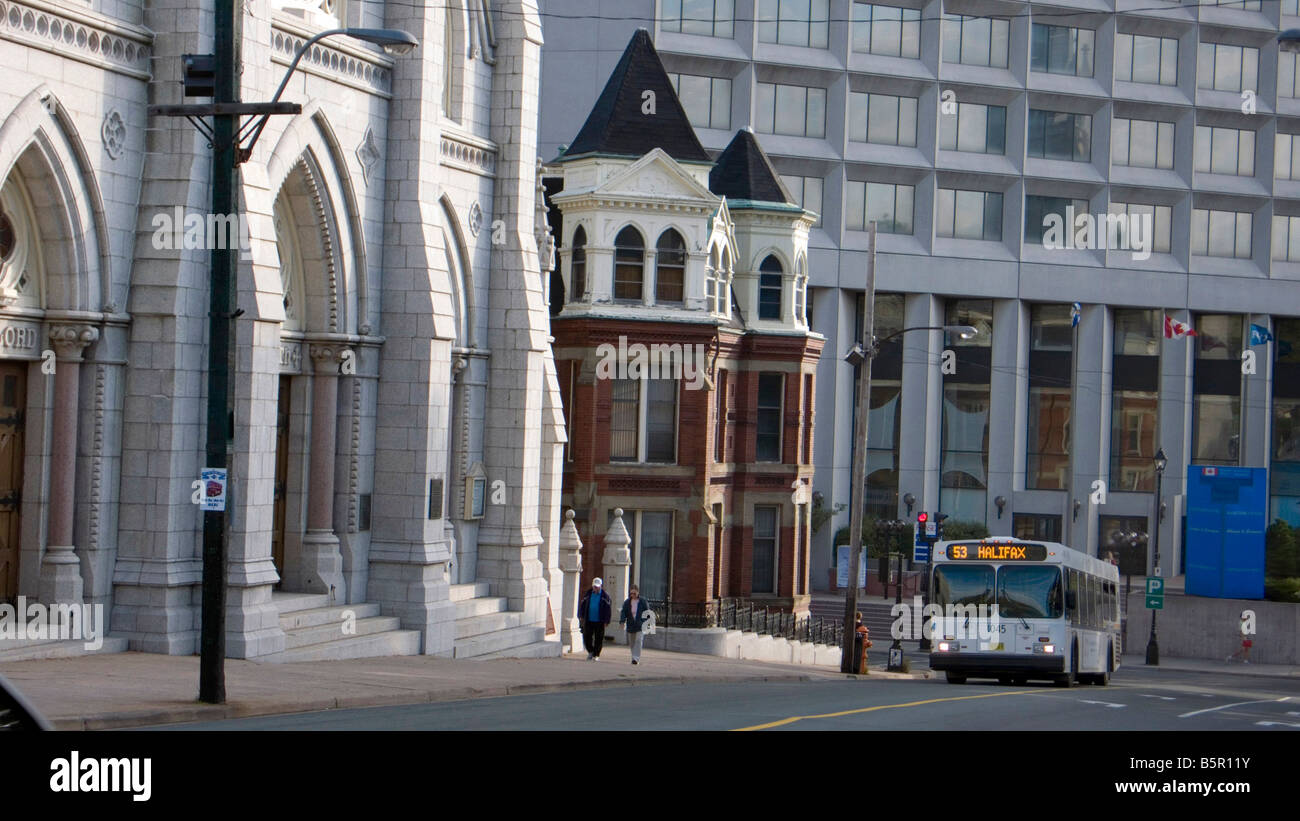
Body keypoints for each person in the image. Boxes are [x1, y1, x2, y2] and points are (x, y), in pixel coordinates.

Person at [577, 577, 612, 661]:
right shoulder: (588, 594)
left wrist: (607, 620)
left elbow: (608, 609)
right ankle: (590, 651)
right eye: (594, 586)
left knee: (598, 638)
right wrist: (581, 615)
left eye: (597, 587)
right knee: (587, 636)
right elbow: (583, 604)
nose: (595, 588)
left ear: (600, 586)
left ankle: (596, 654)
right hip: (589, 619)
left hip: (600, 620)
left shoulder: (605, 596)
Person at [619, 584, 650, 665]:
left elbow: (647, 612)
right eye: (631, 594)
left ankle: (636, 658)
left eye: (634, 593)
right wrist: (622, 621)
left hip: (640, 625)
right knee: (632, 642)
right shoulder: (627, 602)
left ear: (638, 592)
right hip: (631, 624)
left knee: (639, 640)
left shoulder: (643, 601)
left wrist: (646, 622)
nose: (633, 595)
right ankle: (633, 657)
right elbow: (623, 612)